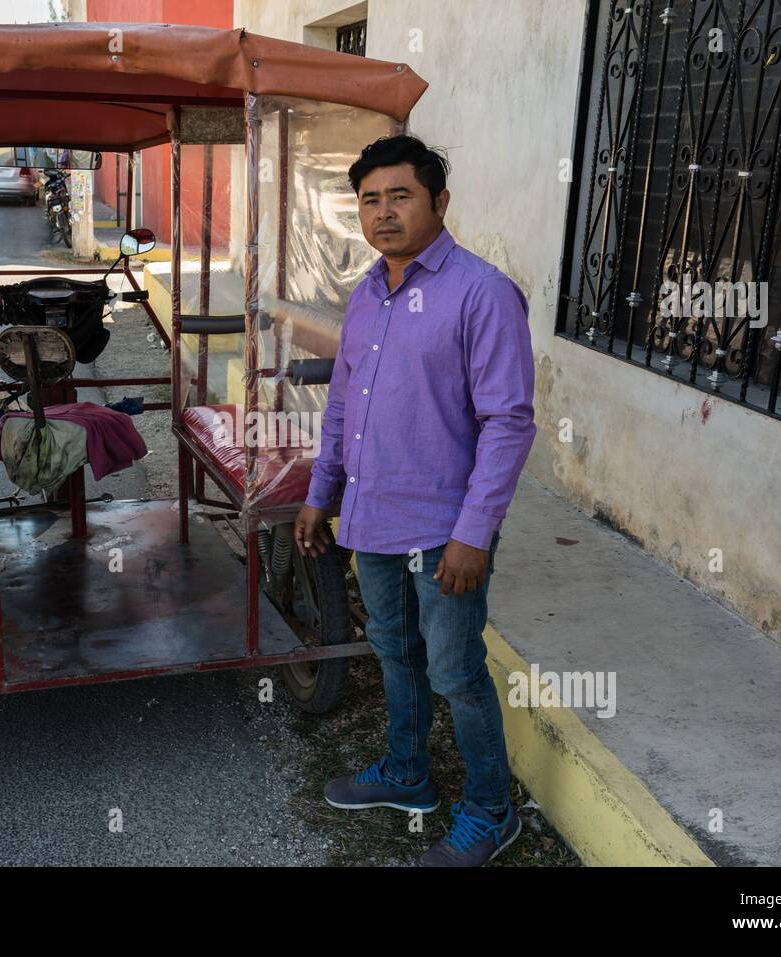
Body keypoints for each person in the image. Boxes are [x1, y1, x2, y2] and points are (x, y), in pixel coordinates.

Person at [294, 134, 536, 867]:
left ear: (439, 202)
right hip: (372, 521)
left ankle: (493, 809)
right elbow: (342, 403)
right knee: (394, 651)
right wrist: (319, 492)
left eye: (401, 195)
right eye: (370, 199)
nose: (384, 211)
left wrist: (475, 532)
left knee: (457, 672)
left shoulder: (481, 292)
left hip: (443, 532)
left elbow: (509, 421)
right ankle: (408, 775)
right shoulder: (366, 292)